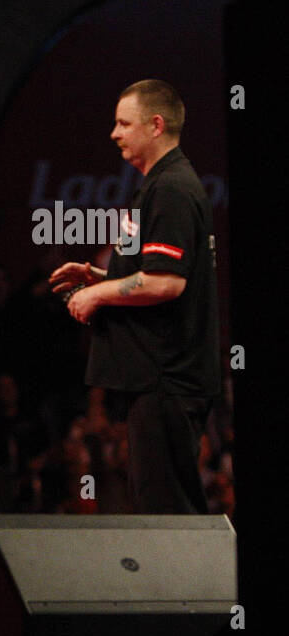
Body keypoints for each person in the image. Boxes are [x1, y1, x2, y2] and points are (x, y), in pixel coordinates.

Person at [50, 79, 219, 514]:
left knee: (170, 515)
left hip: (168, 379)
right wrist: (99, 276)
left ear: (155, 125)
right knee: (160, 510)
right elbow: (155, 274)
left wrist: (98, 295)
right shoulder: (157, 187)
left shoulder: (173, 190)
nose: (114, 133)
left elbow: (168, 283)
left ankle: (189, 586)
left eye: (124, 123)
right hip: (156, 381)